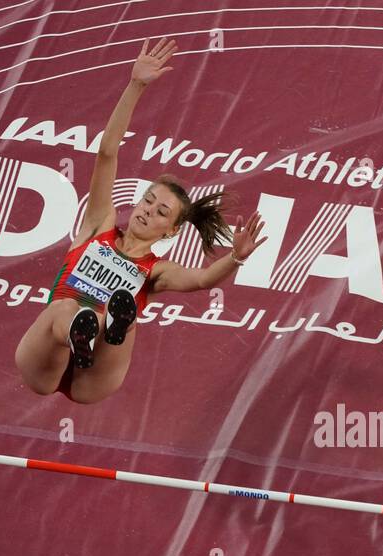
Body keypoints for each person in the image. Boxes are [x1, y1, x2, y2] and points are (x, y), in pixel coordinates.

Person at [14, 37, 267, 404]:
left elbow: (201, 279)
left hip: (95, 377)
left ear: (172, 230)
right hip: (45, 361)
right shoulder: (98, 225)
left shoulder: (156, 270)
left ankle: (110, 328)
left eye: (161, 212)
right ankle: (80, 334)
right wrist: (136, 85)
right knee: (67, 308)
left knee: (123, 313)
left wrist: (237, 257)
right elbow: (106, 152)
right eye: (147, 200)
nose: (148, 210)